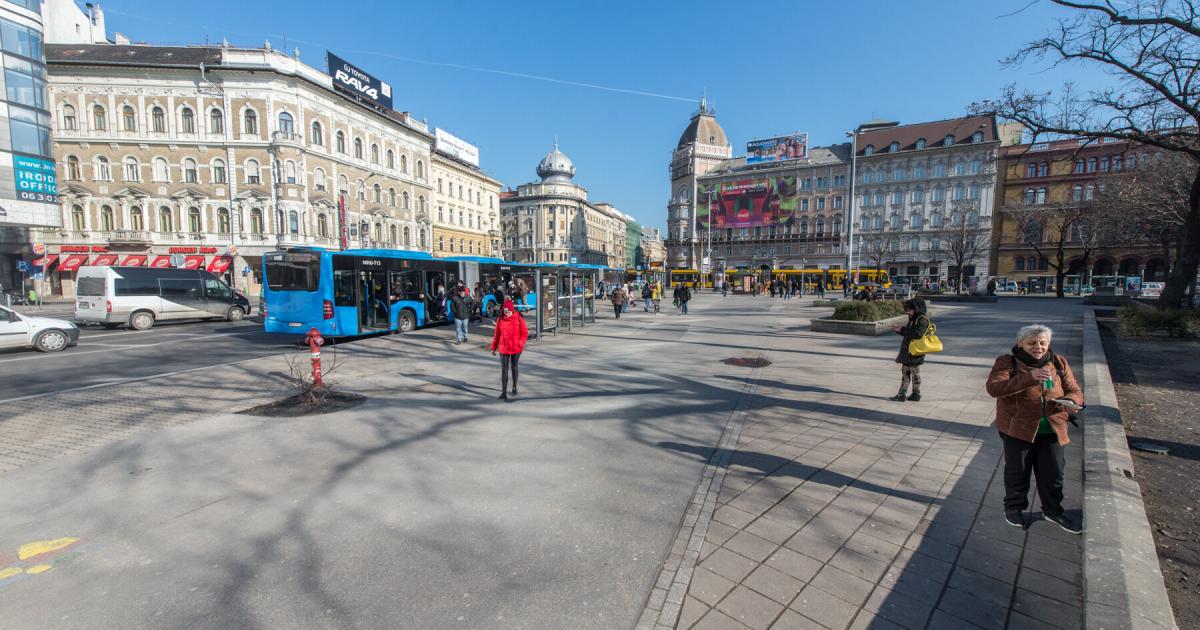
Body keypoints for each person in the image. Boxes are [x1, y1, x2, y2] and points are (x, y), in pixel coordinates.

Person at [986, 324, 1084, 534]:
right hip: (1018, 428)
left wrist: (1071, 401)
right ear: (1021, 343)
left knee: (1054, 473)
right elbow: (994, 388)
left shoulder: (1058, 362)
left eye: (1042, 343)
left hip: (1053, 428)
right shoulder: (1007, 362)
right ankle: (1014, 508)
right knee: (1018, 472)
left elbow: (1074, 389)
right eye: (1032, 343)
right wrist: (1029, 378)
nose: (1038, 347)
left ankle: (1053, 510)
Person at [889, 298, 932, 402]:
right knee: (905, 372)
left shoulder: (922, 319)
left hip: (916, 351)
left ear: (917, 308)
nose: (908, 311)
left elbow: (917, 334)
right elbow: (909, 332)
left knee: (914, 372)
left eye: (910, 309)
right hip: (909, 350)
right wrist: (900, 330)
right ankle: (902, 394)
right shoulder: (913, 318)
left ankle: (915, 394)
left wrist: (902, 329)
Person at [490, 299, 528, 402]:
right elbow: (497, 335)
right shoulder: (500, 319)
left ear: (513, 310)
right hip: (504, 347)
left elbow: (524, 332)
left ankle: (514, 386)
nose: (508, 314)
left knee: (514, 367)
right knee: (504, 369)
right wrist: (493, 347)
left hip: (516, 347)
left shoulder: (519, 318)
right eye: (506, 312)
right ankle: (503, 392)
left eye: (509, 312)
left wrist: (520, 343)